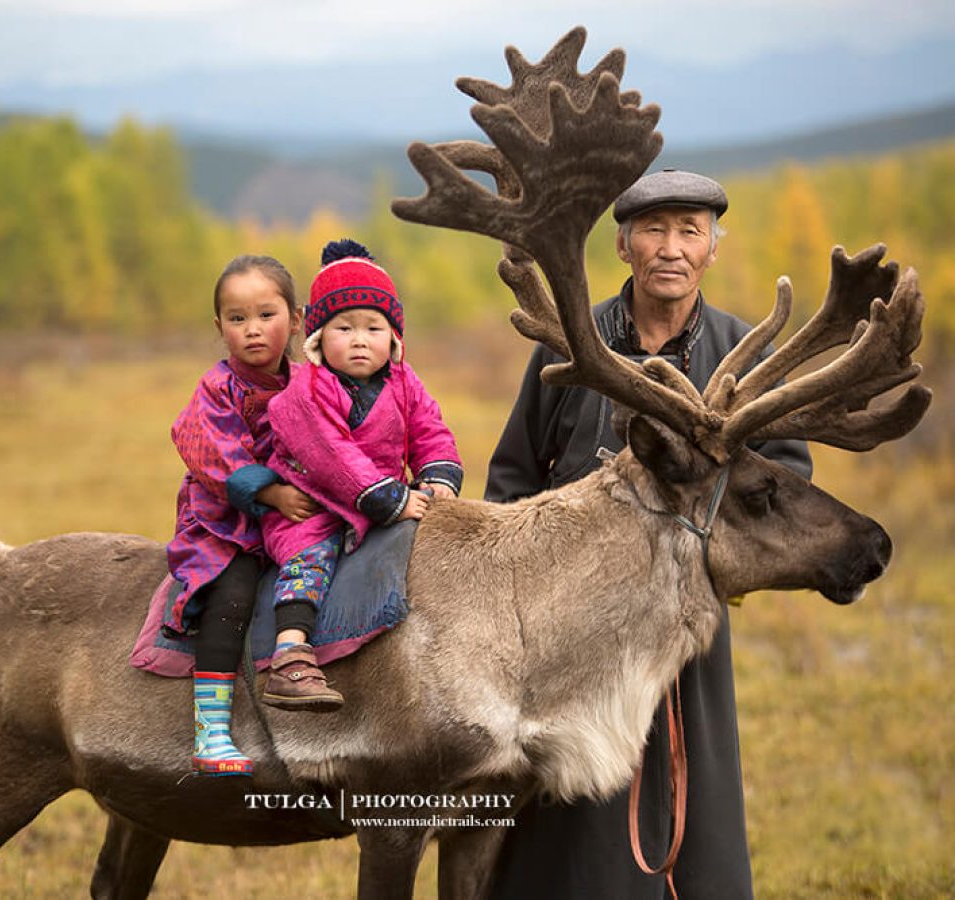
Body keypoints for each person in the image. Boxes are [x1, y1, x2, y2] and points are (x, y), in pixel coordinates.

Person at [485, 170, 812, 897]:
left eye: (690, 231)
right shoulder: (568, 345)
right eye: (655, 230)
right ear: (624, 244)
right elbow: (509, 480)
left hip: (686, 621)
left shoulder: (743, 354)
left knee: (693, 782)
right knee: (568, 818)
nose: (672, 248)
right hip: (573, 634)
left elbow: (786, 486)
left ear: (712, 250)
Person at [257, 239, 464, 711]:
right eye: (343, 327)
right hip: (315, 506)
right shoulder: (303, 390)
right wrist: (389, 499)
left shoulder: (404, 381)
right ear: (316, 339)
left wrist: (437, 479)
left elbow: (430, 429)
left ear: (393, 338)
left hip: (384, 501)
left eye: (373, 327)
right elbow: (330, 455)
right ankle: (291, 652)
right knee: (310, 560)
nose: (358, 339)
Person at [165, 254, 320, 776]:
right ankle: (211, 730)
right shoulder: (216, 390)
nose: (252, 330)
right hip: (226, 521)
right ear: (219, 327)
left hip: (299, 513)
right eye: (237, 319)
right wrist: (272, 495)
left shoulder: (310, 382)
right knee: (232, 593)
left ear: (296, 319)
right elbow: (216, 454)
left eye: (266, 315)